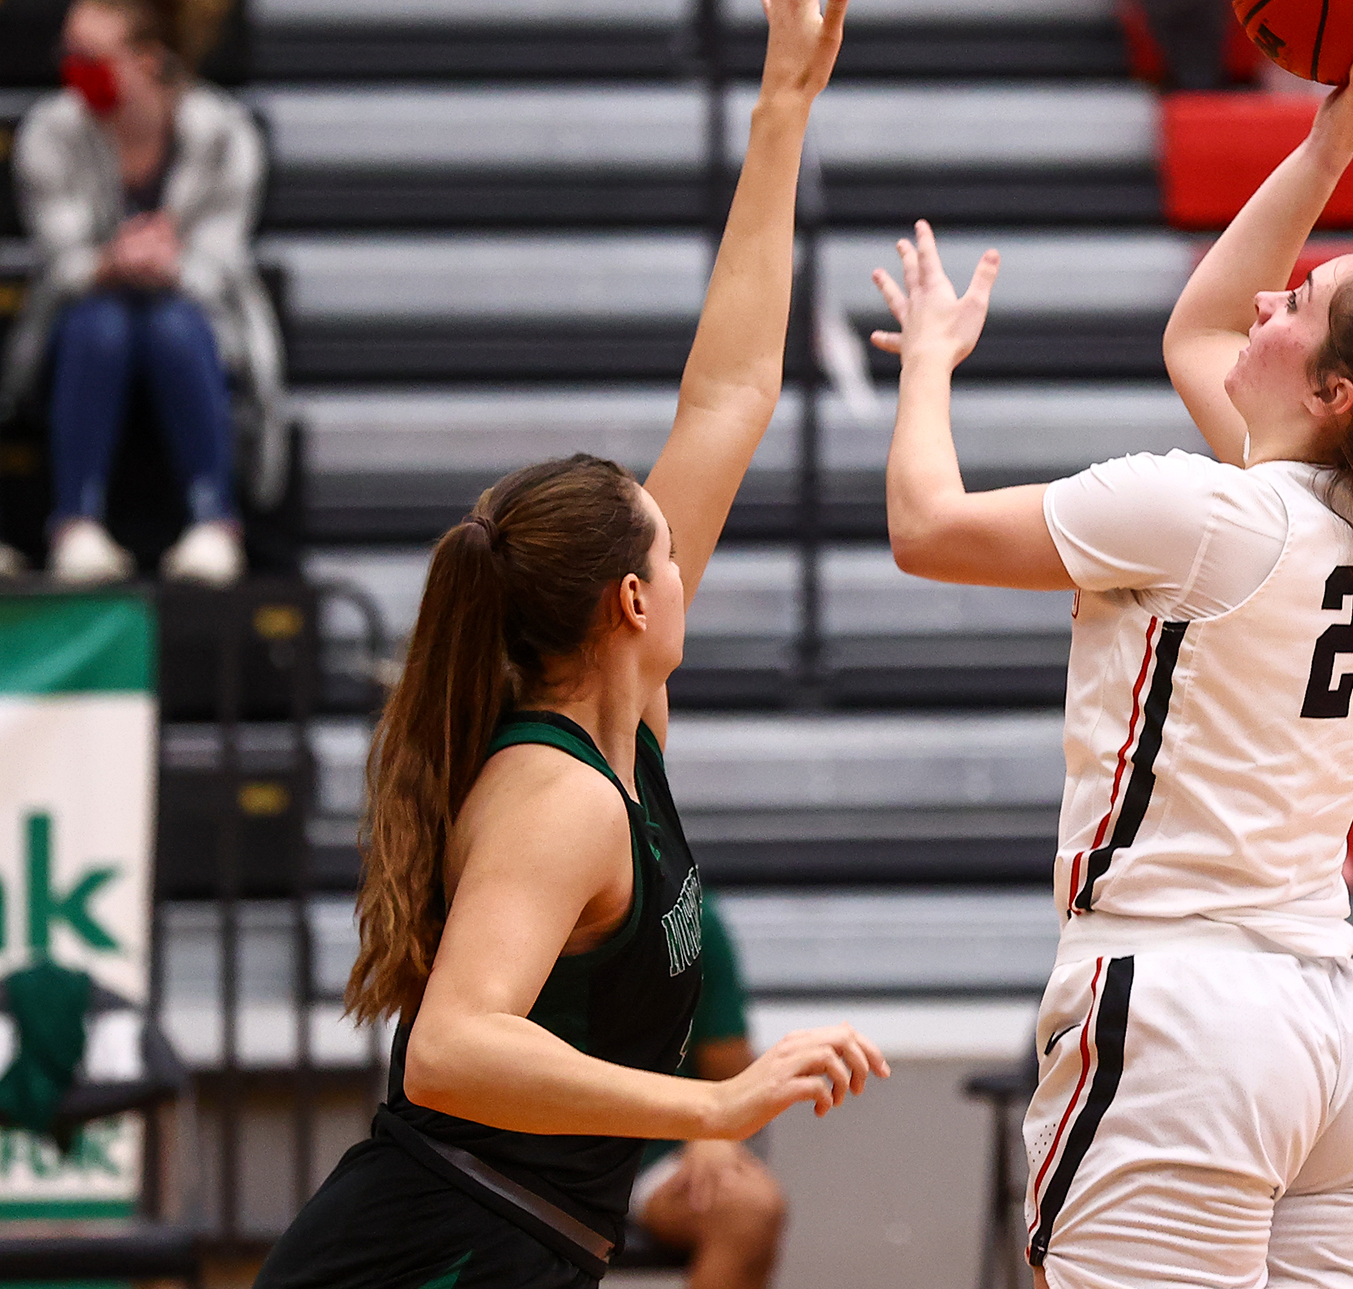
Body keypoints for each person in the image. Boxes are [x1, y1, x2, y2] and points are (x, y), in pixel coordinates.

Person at [871, 12, 1353, 1285]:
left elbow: (926, 528)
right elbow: (1200, 330)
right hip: (1329, 1033)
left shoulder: (1202, 511)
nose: (1273, 297)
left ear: (1335, 392)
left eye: (1308, 303)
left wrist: (931, 371)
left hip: (1182, 1013)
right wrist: (1334, 140)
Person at [253, 6, 888, 1286]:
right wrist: (715, 1106)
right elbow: (449, 1050)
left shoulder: (625, 729)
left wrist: (780, 113)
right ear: (632, 604)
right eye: (668, 549)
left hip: (502, 1241)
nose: (686, 554)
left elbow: (727, 397)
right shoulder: (556, 797)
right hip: (431, 1248)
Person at [1, 0, 288, 586]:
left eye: (91, 57)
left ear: (148, 61)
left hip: (198, 322)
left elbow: (221, 261)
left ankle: (214, 522)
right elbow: (61, 260)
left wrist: (169, 263)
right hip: (78, 326)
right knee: (101, 320)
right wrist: (112, 260)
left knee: (170, 322)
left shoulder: (224, 130)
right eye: (68, 54)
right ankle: (75, 523)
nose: (73, 68)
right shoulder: (49, 130)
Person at [628, 899, 787, 1289]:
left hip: (653, 1154)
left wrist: (715, 1126)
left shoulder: (685, 911)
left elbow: (729, 1069)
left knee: (750, 1208)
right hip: (527, 1146)